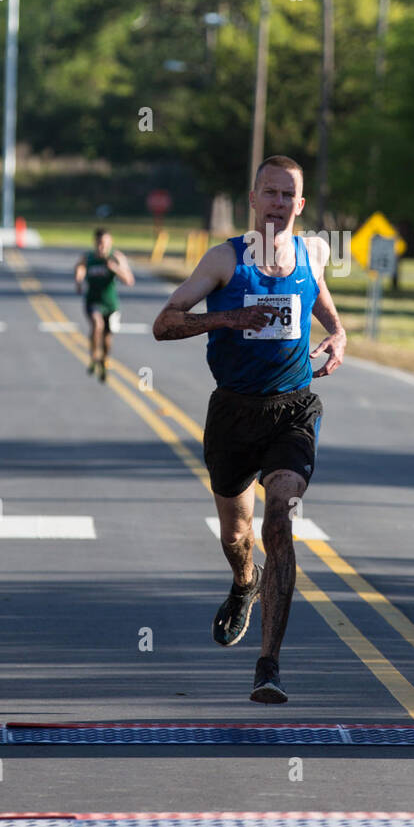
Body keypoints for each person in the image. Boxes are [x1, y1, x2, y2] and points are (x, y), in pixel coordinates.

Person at [152, 156, 346, 703]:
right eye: (270, 193)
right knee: (237, 536)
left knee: (280, 516)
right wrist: (226, 319)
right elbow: (164, 324)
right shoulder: (223, 260)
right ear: (253, 199)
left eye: (289, 196)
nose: (279, 204)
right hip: (233, 413)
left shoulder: (314, 252)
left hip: (294, 408)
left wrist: (339, 335)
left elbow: (323, 302)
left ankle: (269, 665)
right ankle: (244, 582)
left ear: (300, 205)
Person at [74, 228, 135, 382]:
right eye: (100, 243)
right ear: (95, 243)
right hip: (93, 300)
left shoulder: (116, 257)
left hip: (111, 303)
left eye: (106, 243)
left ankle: (104, 359)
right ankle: (94, 355)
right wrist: (79, 280)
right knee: (97, 324)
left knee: (108, 335)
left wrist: (114, 268)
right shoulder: (88, 257)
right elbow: (80, 268)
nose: (102, 247)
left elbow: (129, 280)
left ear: (111, 242)